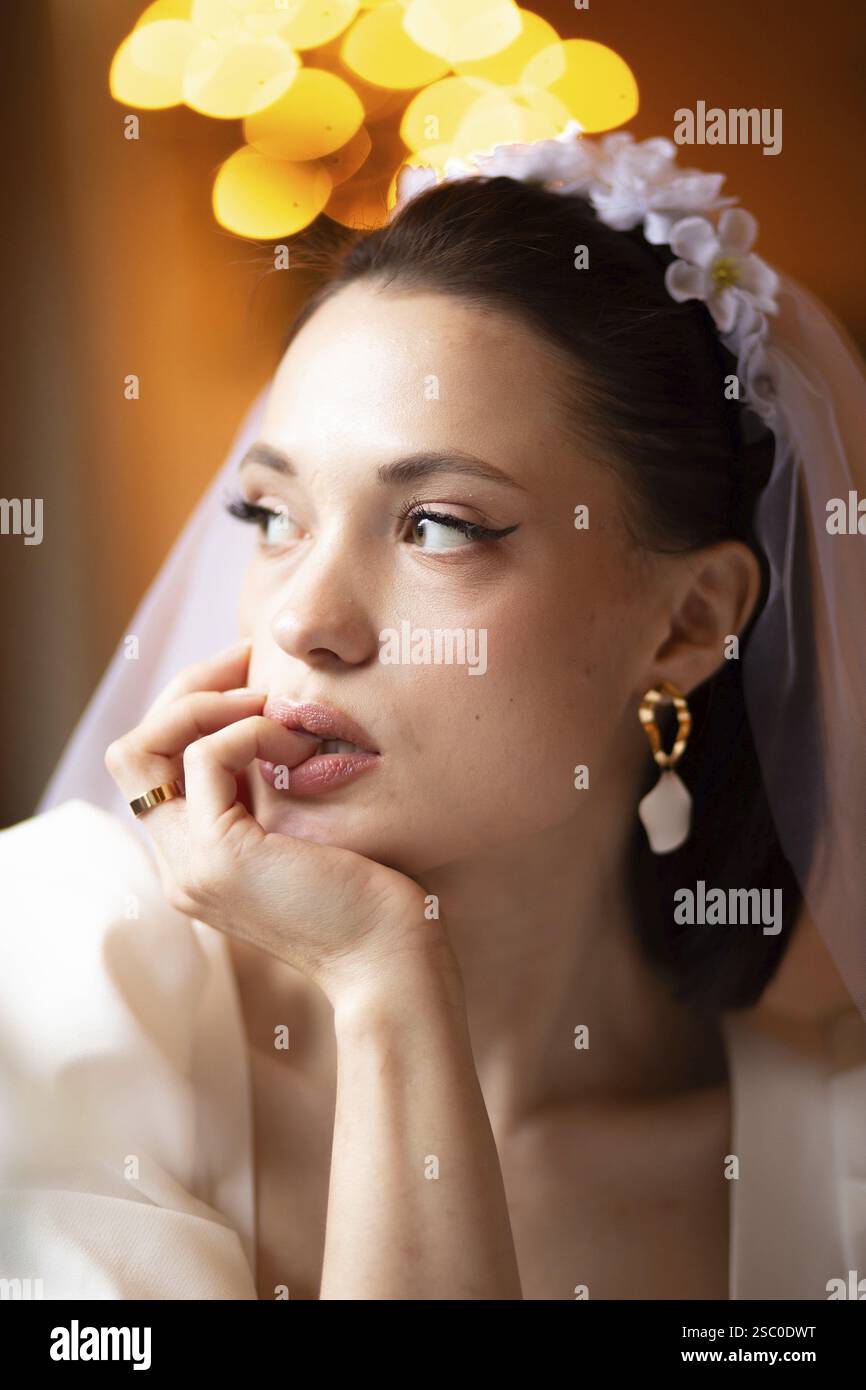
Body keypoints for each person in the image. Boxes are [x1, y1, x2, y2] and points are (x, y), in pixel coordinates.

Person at [1, 129, 865, 1301]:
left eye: (438, 525)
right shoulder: (53, 990)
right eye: (270, 515)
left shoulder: (831, 1174)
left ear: (686, 624)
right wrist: (378, 971)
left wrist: (388, 991)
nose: (303, 620)